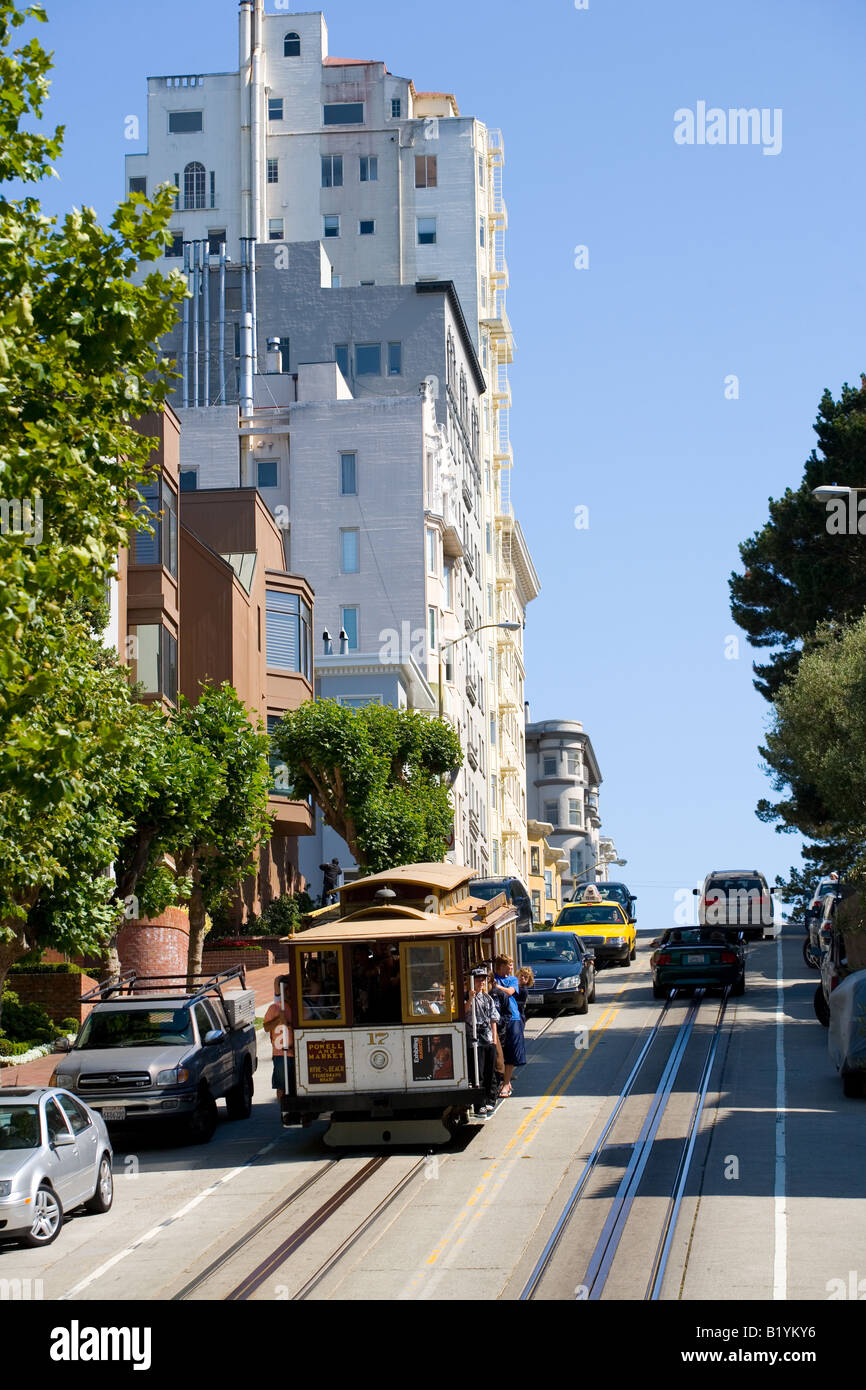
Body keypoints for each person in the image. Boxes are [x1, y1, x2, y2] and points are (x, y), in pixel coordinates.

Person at [465, 967, 500, 1113]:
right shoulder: (466, 997)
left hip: (487, 1037)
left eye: (483, 979)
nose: (481, 982)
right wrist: (470, 998)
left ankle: (491, 1099)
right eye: (478, 979)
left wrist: (494, 1038)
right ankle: (479, 1104)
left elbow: (493, 1018)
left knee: (489, 1070)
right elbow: (464, 1011)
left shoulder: (488, 998)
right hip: (474, 1039)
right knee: (477, 1072)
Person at [493, 953, 526, 1097]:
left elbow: (510, 992)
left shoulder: (512, 980)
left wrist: (496, 987)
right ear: (501, 966)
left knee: (512, 1051)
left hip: (513, 1019)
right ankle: (504, 1080)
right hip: (497, 1019)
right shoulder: (493, 977)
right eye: (509, 965)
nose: (512, 968)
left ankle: (506, 1084)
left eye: (512, 965)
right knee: (500, 1053)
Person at [263, 976, 295, 1101]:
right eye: (287, 990)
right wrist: (279, 1020)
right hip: (281, 1054)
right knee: (282, 1086)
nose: (289, 993)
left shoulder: (299, 1008)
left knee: (297, 1087)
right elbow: (266, 1027)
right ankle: (284, 1113)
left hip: (296, 1053)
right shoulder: (274, 1008)